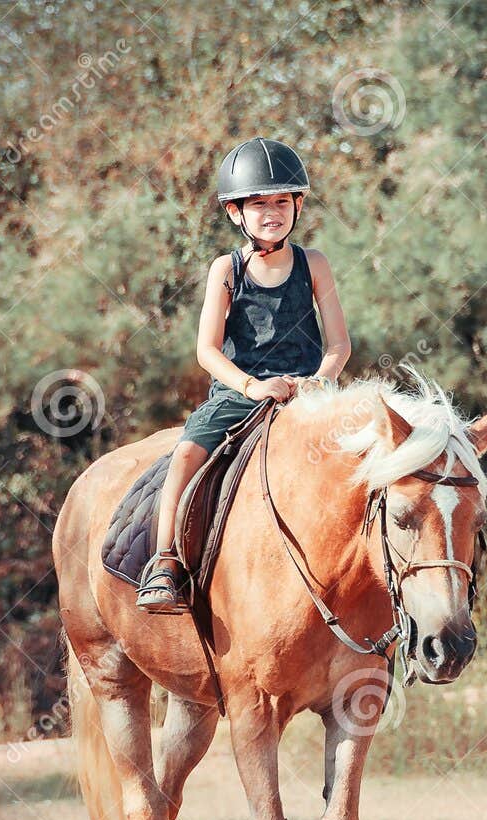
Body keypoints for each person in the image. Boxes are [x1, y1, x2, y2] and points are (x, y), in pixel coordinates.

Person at [136, 137, 351, 613]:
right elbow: (207, 350)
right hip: (241, 391)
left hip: (304, 392)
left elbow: (339, 344)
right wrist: (253, 386)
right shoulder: (226, 269)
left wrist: (319, 380)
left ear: (297, 205)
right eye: (258, 204)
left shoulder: (314, 264)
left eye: (281, 201)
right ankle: (165, 562)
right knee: (188, 451)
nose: (271, 212)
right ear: (236, 212)